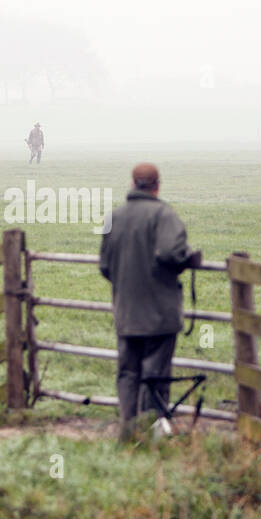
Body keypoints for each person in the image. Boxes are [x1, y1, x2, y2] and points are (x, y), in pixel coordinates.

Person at [98, 163, 202, 442]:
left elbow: (105, 266)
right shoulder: (164, 215)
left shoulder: (113, 217)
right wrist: (186, 259)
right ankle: (152, 436)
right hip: (159, 315)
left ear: (133, 183)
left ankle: (128, 431)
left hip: (126, 314)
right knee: (155, 375)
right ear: (157, 185)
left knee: (128, 373)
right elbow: (171, 252)